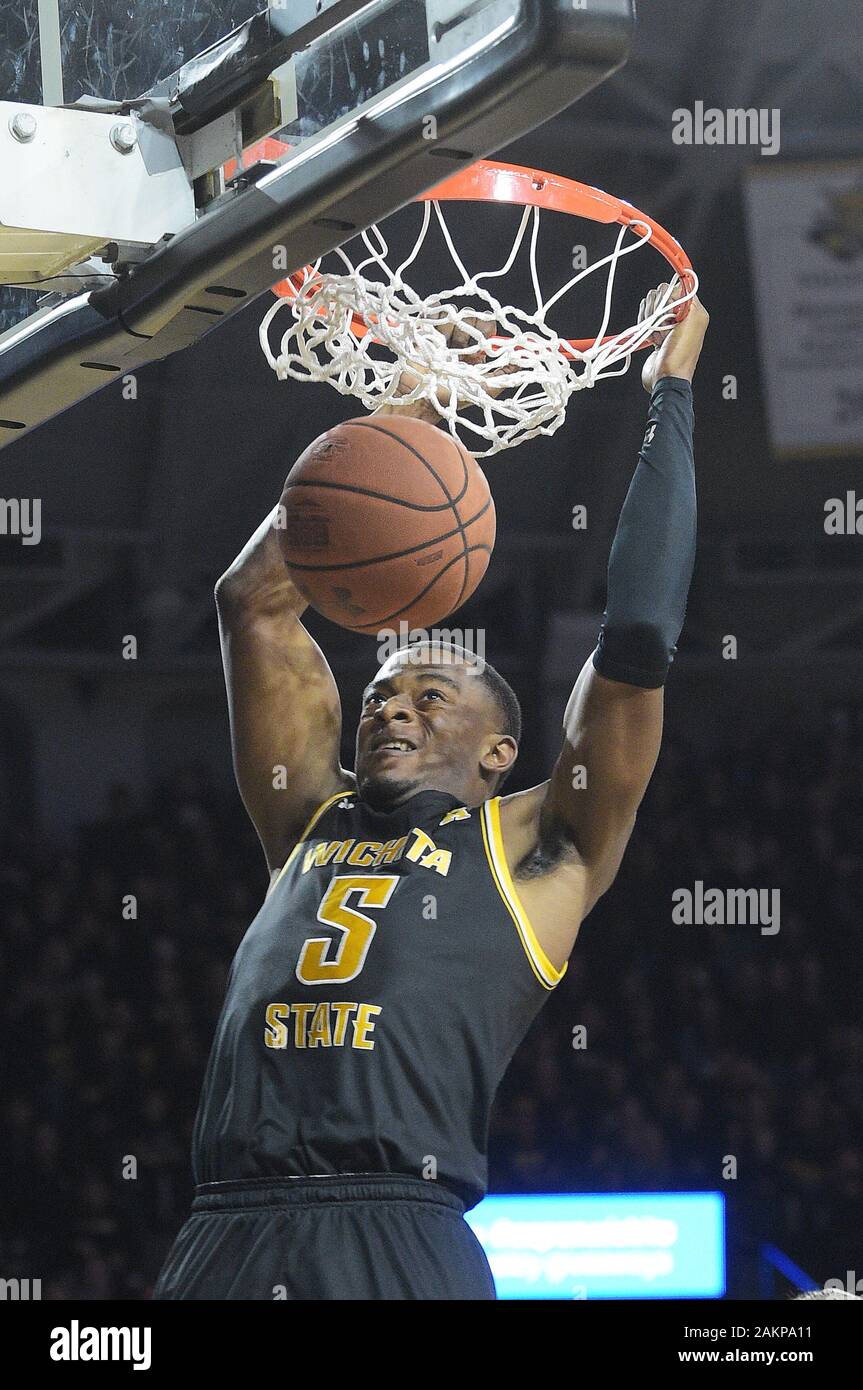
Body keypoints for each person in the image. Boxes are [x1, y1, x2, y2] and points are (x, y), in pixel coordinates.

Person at [153, 282, 709, 1299]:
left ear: (500, 750)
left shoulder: (541, 846)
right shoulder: (304, 816)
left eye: (428, 693)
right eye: (379, 691)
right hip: (223, 1220)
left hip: (396, 1226)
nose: (390, 707)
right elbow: (256, 603)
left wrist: (668, 396)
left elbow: (634, 651)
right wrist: (414, 399)